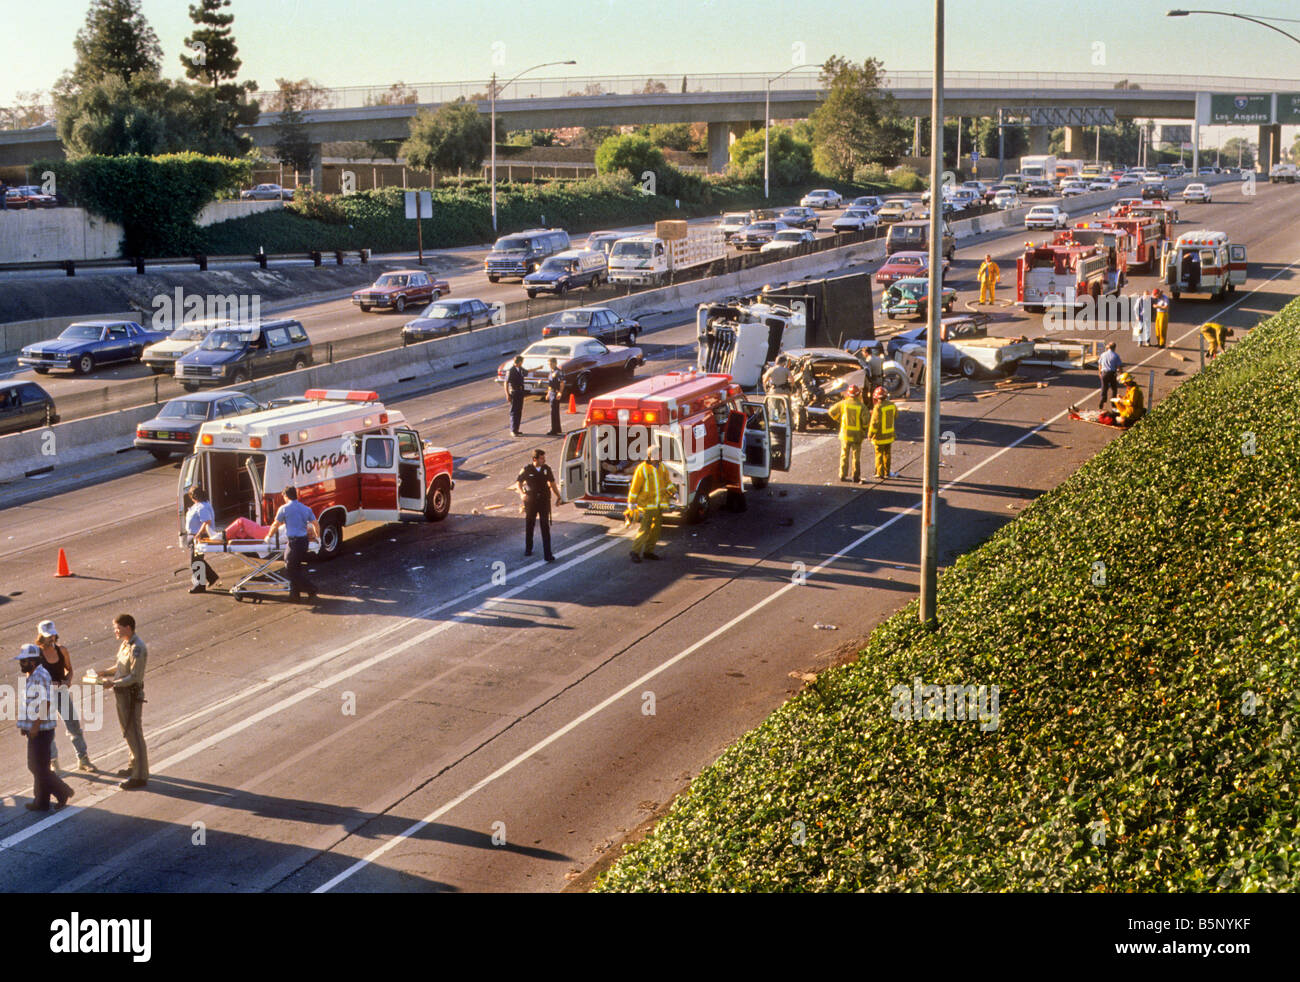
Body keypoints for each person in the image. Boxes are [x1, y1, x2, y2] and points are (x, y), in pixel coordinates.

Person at [15, 644, 74, 811]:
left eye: (23, 661)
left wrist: (35, 725)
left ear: (32, 662)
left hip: (41, 729)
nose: (21, 664)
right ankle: (41, 802)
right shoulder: (32, 674)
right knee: (38, 766)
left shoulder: (40, 675)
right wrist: (25, 725)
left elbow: (45, 702)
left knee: (36, 767)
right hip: (34, 728)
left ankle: (63, 791)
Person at [97, 614, 148, 790]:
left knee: (134, 732)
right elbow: (120, 667)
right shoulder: (126, 644)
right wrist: (105, 673)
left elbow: (134, 676)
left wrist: (113, 682)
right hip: (121, 693)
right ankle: (134, 766)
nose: (115, 631)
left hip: (130, 695)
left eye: (118, 627)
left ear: (128, 627)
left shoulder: (137, 648)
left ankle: (139, 776)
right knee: (128, 731)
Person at [35, 621, 94, 773]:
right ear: (40, 636)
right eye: (48, 636)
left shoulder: (62, 651)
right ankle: (53, 762)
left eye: (53, 635)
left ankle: (83, 758)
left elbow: (69, 669)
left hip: (61, 692)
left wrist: (68, 680)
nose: (51, 639)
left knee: (73, 725)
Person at [265, 486, 320, 603]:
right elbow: (316, 524)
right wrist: (317, 536)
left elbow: (275, 524)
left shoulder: (284, 509)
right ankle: (294, 596)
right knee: (296, 568)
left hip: (294, 543)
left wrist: (268, 537)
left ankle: (311, 589)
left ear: (286, 496)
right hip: (303, 542)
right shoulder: (306, 509)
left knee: (290, 569)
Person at [627, 445, 675, 563]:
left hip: (658, 506)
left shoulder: (662, 467)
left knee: (656, 530)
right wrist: (631, 502)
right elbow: (635, 487)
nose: (660, 455)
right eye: (658, 453)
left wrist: (674, 492)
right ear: (651, 455)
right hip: (647, 506)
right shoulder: (642, 468)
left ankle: (648, 551)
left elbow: (667, 482)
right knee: (645, 529)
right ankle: (635, 551)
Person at [516, 448, 561, 562]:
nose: (544, 460)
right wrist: (522, 494)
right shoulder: (527, 469)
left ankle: (548, 554)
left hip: (544, 501)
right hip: (531, 501)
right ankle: (528, 548)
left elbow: (552, 483)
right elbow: (519, 483)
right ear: (535, 459)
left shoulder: (546, 469)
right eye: (542, 458)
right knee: (530, 524)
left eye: (544, 458)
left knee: (545, 527)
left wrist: (558, 496)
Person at [827, 384, 866, 483]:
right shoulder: (861, 406)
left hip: (845, 435)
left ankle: (842, 475)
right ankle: (856, 476)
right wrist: (864, 430)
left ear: (848, 394)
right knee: (856, 456)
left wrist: (839, 419)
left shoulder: (843, 403)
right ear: (858, 394)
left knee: (844, 455)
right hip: (857, 435)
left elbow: (831, 411)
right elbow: (866, 421)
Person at [184, 486, 220, 594]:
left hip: (199, 537)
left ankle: (200, 585)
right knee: (198, 560)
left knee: (195, 562)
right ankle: (212, 577)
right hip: (195, 536)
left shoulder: (202, 507)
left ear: (193, 496)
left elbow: (207, 522)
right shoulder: (200, 505)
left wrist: (198, 534)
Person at [867, 386, 897, 479]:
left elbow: (874, 423)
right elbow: (895, 416)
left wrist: (870, 434)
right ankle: (887, 472)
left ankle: (880, 473)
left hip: (880, 437)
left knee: (879, 454)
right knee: (887, 454)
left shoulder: (877, 407)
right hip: (889, 435)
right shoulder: (892, 405)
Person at [1097, 341, 1122, 410]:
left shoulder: (1103, 354)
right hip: (1112, 373)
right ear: (1114, 348)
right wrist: (1121, 374)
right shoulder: (1116, 355)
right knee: (1114, 389)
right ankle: (1113, 404)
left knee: (1104, 388)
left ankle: (1103, 400)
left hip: (1104, 373)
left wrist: (1100, 373)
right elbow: (1119, 366)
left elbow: (1100, 364)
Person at [505, 355, 526, 437]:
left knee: (519, 411)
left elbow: (526, 372)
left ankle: (516, 429)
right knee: (514, 411)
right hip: (514, 392)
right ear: (519, 362)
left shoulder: (520, 369)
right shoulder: (511, 370)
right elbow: (505, 382)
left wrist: (537, 368)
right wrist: (507, 394)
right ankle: (513, 430)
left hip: (520, 391)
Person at [545, 358, 564, 436]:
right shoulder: (551, 372)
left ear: (555, 363)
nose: (549, 365)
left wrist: (560, 392)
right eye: (549, 364)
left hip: (556, 392)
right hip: (551, 392)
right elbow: (550, 384)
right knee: (554, 411)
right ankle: (557, 429)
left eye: (551, 364)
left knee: (554, 411)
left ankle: (554, 430)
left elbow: (562, 383)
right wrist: (548, 393)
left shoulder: (558, 372)